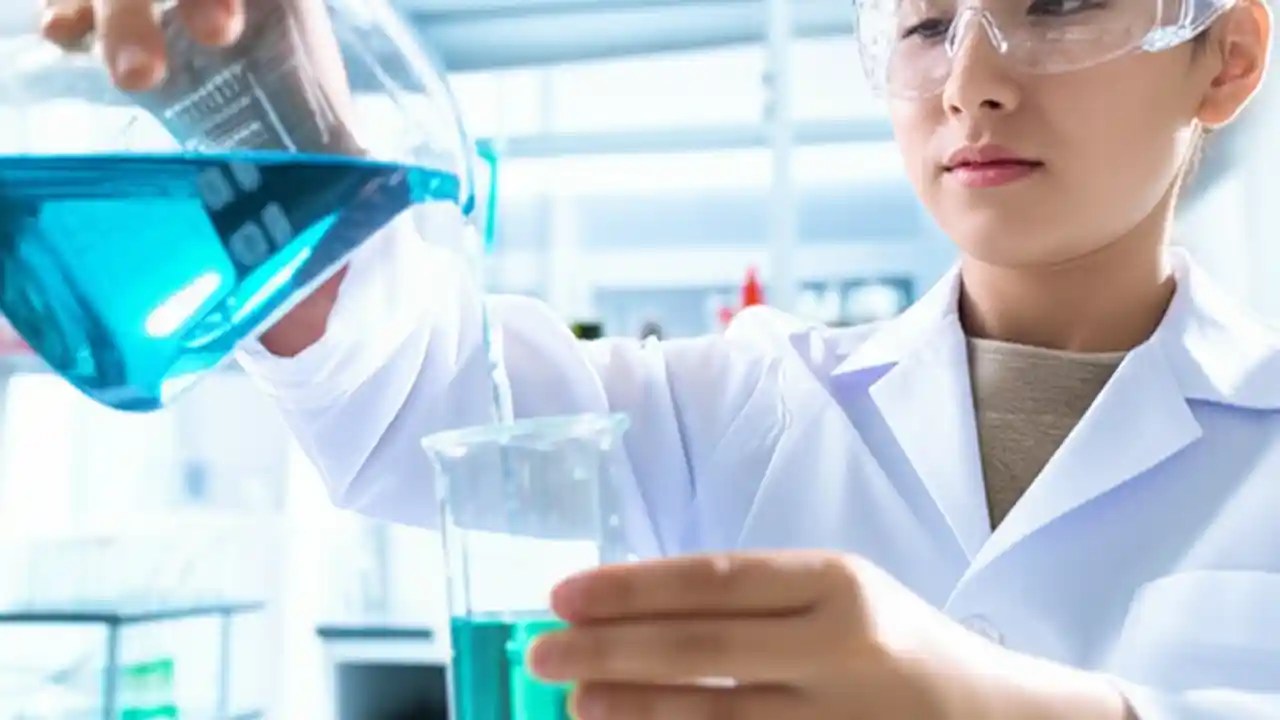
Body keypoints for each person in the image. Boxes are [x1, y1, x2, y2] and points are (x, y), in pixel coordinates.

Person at [44, 0, 1279, 716]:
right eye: (922, 22)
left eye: (1055, 3)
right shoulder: (745, 405)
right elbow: (414, 396)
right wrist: (273, 124)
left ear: (1225, 55)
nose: (969, 83)